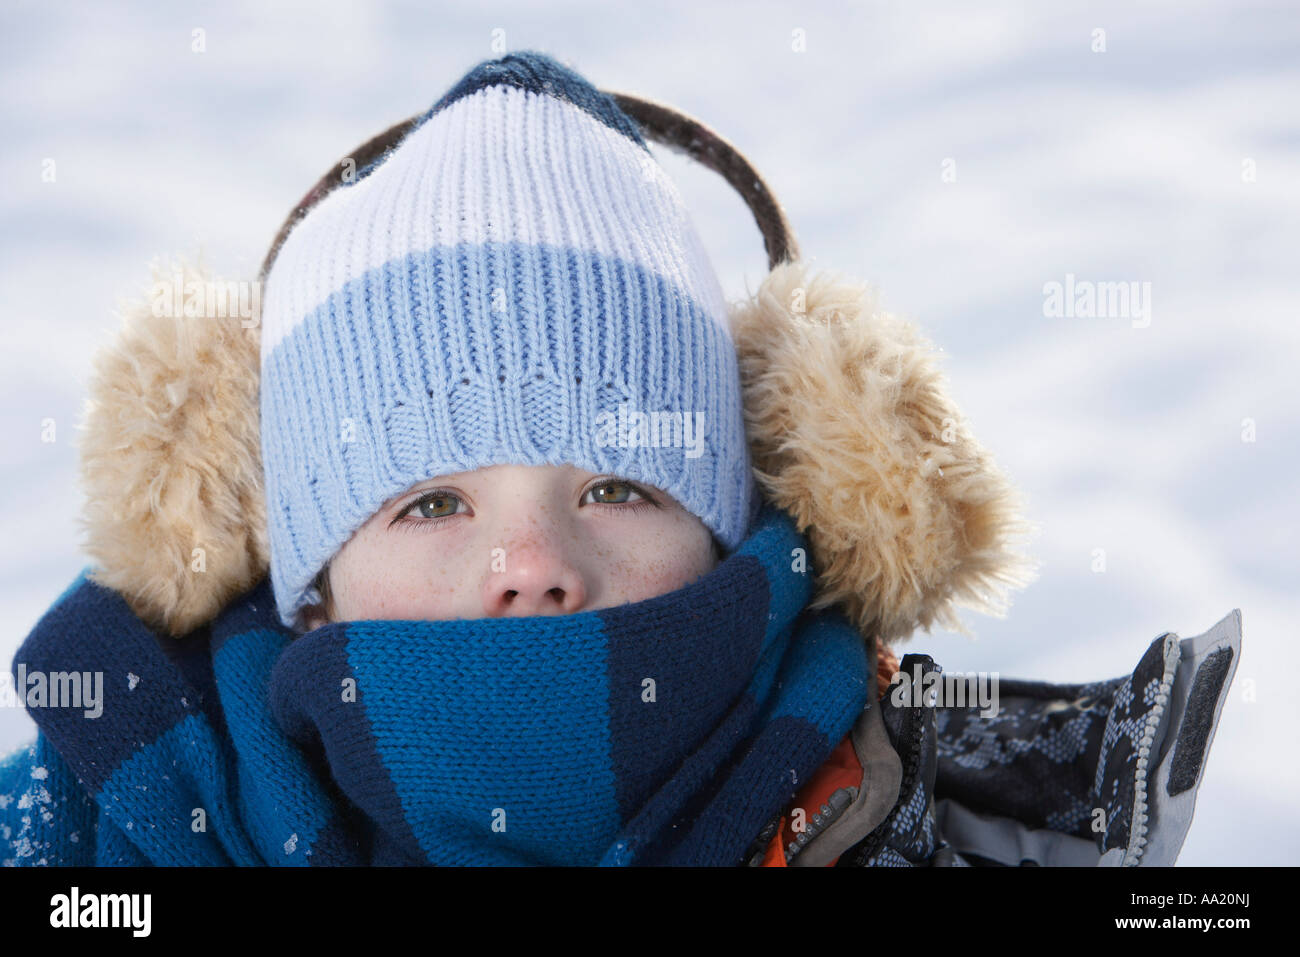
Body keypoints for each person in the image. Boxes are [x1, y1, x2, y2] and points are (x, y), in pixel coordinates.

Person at [0, 51, 1240, 867]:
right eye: (429, 500)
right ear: (301, 585)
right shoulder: (84, 843)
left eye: (616, 487)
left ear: (736, 529)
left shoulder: (961, 833)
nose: (531, 564)